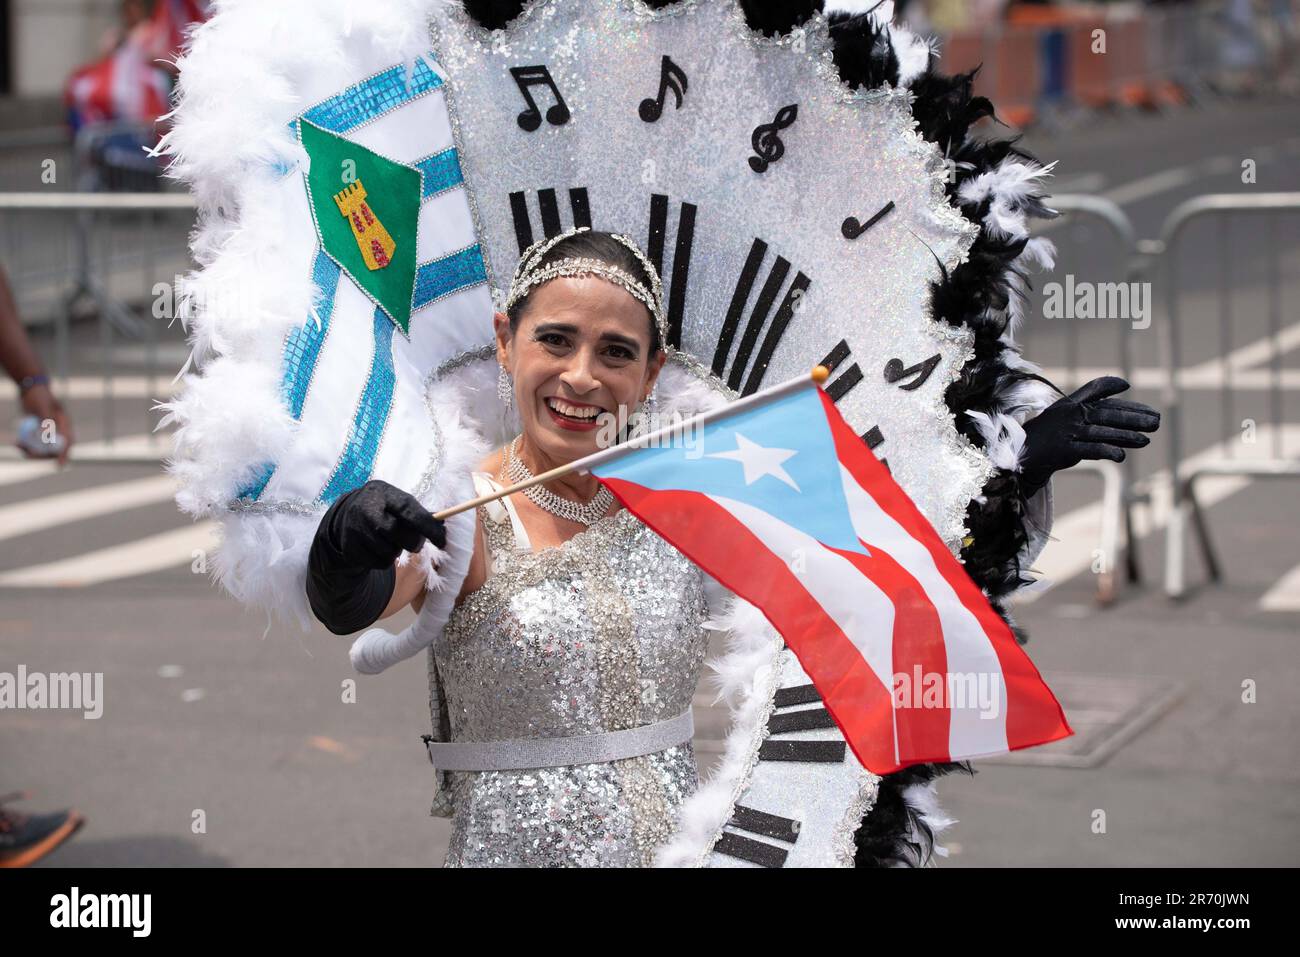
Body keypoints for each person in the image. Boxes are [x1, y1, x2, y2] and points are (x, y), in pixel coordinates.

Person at [304, 227, 1160, 867]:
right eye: (554, 340)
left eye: (615, 353)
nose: (580, 377)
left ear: (649, 371)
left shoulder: (686, 495)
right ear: (505, 342)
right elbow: (356, 602)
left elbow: (875, 554)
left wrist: (1013, 464)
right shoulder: (457, 510)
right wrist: (346, 546)